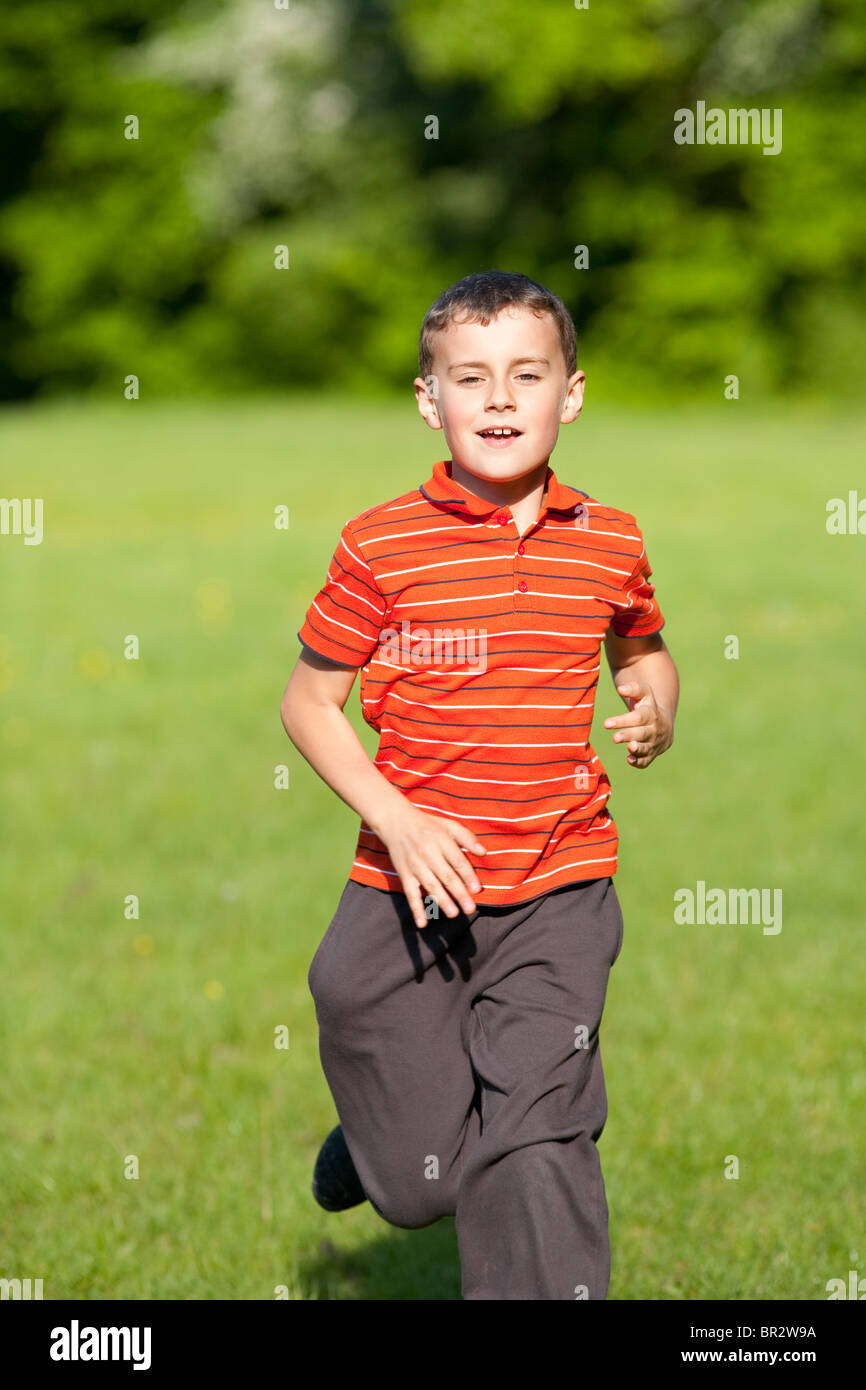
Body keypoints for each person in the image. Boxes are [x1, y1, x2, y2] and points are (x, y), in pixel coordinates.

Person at [279, 269, 679, 1299]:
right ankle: (379, 1148)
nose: (499, 399)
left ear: (570, 392)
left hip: (560, 881)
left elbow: (640, 651)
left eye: (524, 374)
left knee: (539, 1127)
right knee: (416, 1184)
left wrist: (653, 701)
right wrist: (396, 821)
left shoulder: (610, 539)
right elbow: (308, 705)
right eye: (470, 377)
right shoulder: (380, 544)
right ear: (430, 400)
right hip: (409, 891)